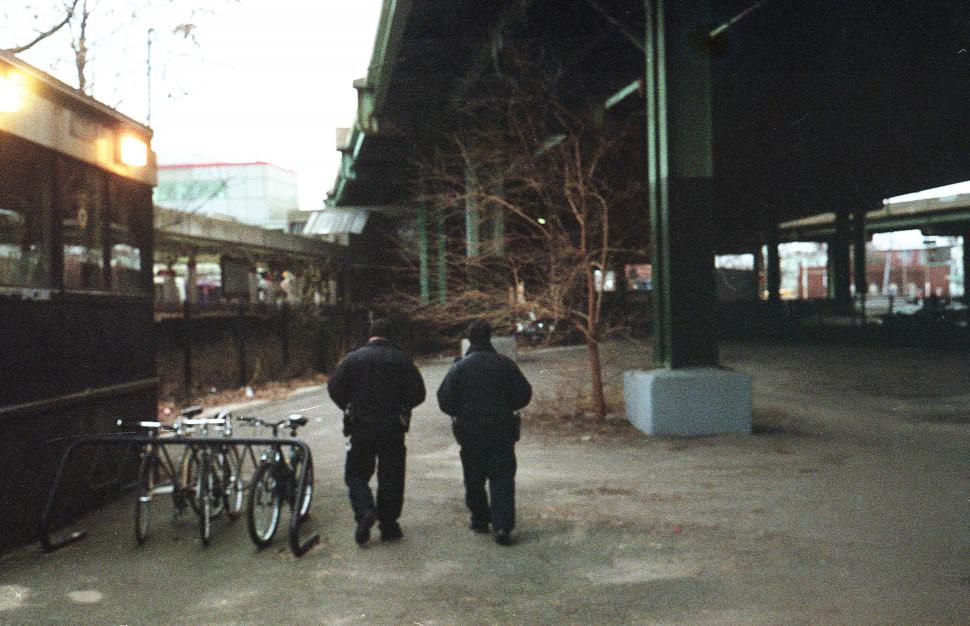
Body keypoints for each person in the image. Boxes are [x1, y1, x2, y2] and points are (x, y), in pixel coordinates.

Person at [327, 318, 426, 545]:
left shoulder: (353, 359)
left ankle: (365, 511)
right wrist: (403, 407)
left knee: (356, 474)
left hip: (361, 425)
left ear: (370, 335)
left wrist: (348, 406)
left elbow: (334, 387)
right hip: (392, 426)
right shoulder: (401, 359)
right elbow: (419, 392)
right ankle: (389, 526)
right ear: (390, 336)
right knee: (391, 476)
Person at [436, 319, 532, 545]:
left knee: (474, 476)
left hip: (470, 430)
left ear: (469, 339)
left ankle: (480, 519)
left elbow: (444, 399)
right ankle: (502, 525)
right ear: (490, 337)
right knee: (502, 476)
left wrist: (459, 412)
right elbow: (524, 394)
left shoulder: (459, 367)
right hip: (501, 429)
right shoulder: (505, 364)